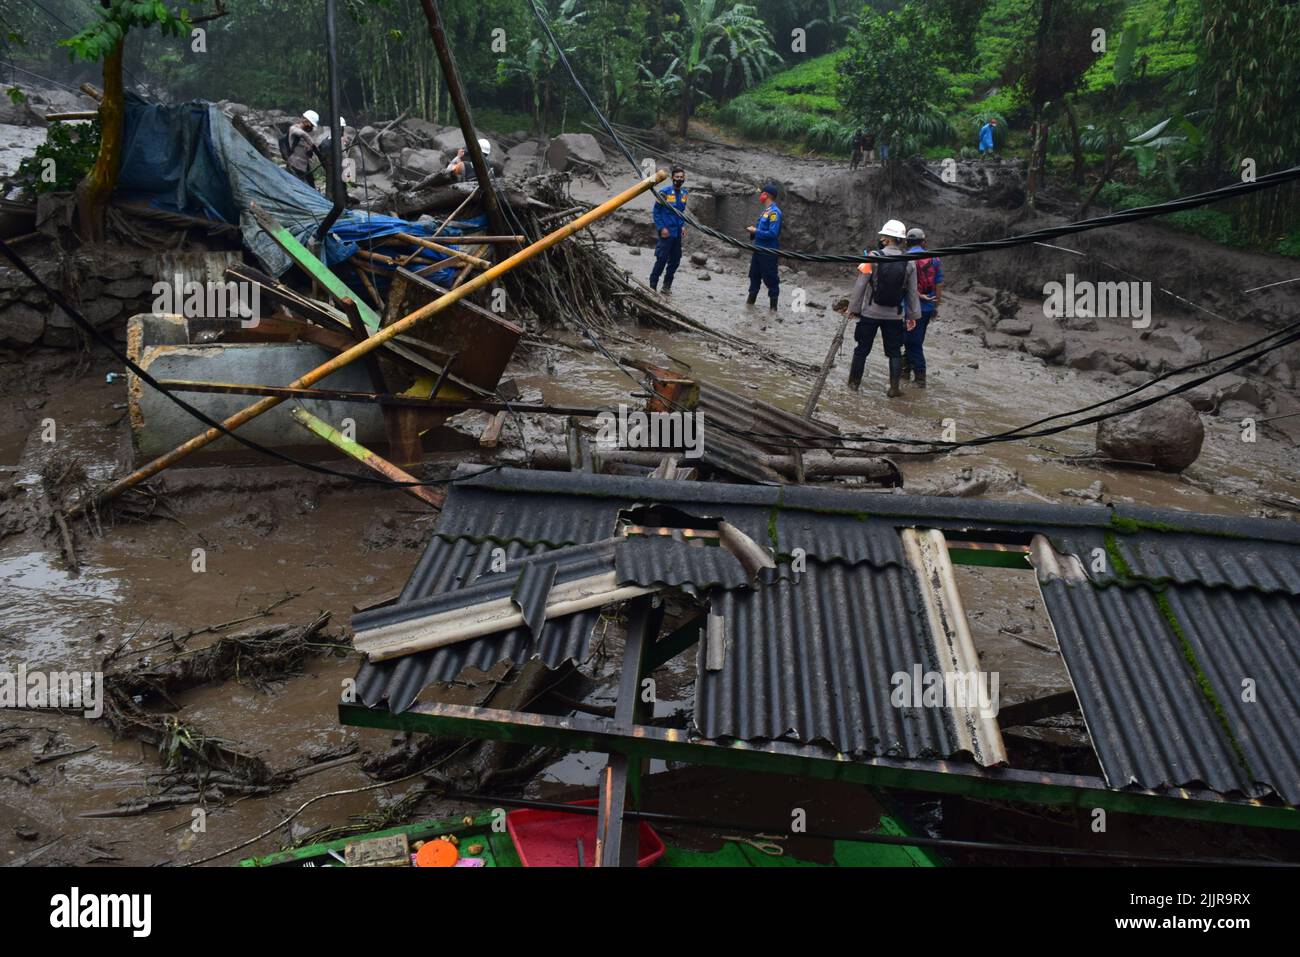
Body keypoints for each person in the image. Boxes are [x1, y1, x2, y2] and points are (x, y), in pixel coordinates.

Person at [845, 219, 920, 397]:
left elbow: (861, 285)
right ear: (901, 240)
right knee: (894, 353)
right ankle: (894, 388)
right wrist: (912, 316)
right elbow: (912, 292)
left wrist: (853, 309)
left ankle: (853, 384)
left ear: (886, 238)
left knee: (862, 349)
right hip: (895, 316)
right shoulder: (909, 262)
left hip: (870, 313)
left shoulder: (873, 256)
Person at [899, 226, 942, 388]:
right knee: (915, 340)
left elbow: (903, 285)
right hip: (927, 307)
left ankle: (919, 379)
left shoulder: (905, 258)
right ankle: (905, 372)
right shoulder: (935, 259)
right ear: (923, 242)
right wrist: (936, 305)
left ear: (907, 242)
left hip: (909, 307)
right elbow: (939, 283)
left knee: (912, 343)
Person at [649, 166, 689, 294]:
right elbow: (656, 212)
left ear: (684, 179)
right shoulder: (664, 192)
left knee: (675, 261)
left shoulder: (684, 194)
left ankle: (666, 286)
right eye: (677, 177)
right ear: (672, 178)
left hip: (677, 234)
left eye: (681, 177)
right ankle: (652, 285)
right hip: (666, 233)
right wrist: (662, 228)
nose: (679, 179)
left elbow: (681, 213)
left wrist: (682, 226)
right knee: (661, 259)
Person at [746, 182, 782, 311]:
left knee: (771, 280)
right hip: (758, 250)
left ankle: (773, 310)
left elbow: (773, 233)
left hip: (768, 253)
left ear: (766, 195)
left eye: (761, 193)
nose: (760, 195)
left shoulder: (774, 213)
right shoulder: (765, 211)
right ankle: (749, 306)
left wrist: (756, 231)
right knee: (754, 277)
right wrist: (753, 233)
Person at [286, 110, 320, 186]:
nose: (311, 127)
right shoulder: (294, 129)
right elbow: (301, 134)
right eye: (311, 124)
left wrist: (310, 149)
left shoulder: (306, 134)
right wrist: (312, 144)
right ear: (305, 121)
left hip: (303, 167)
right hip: (294, 165)